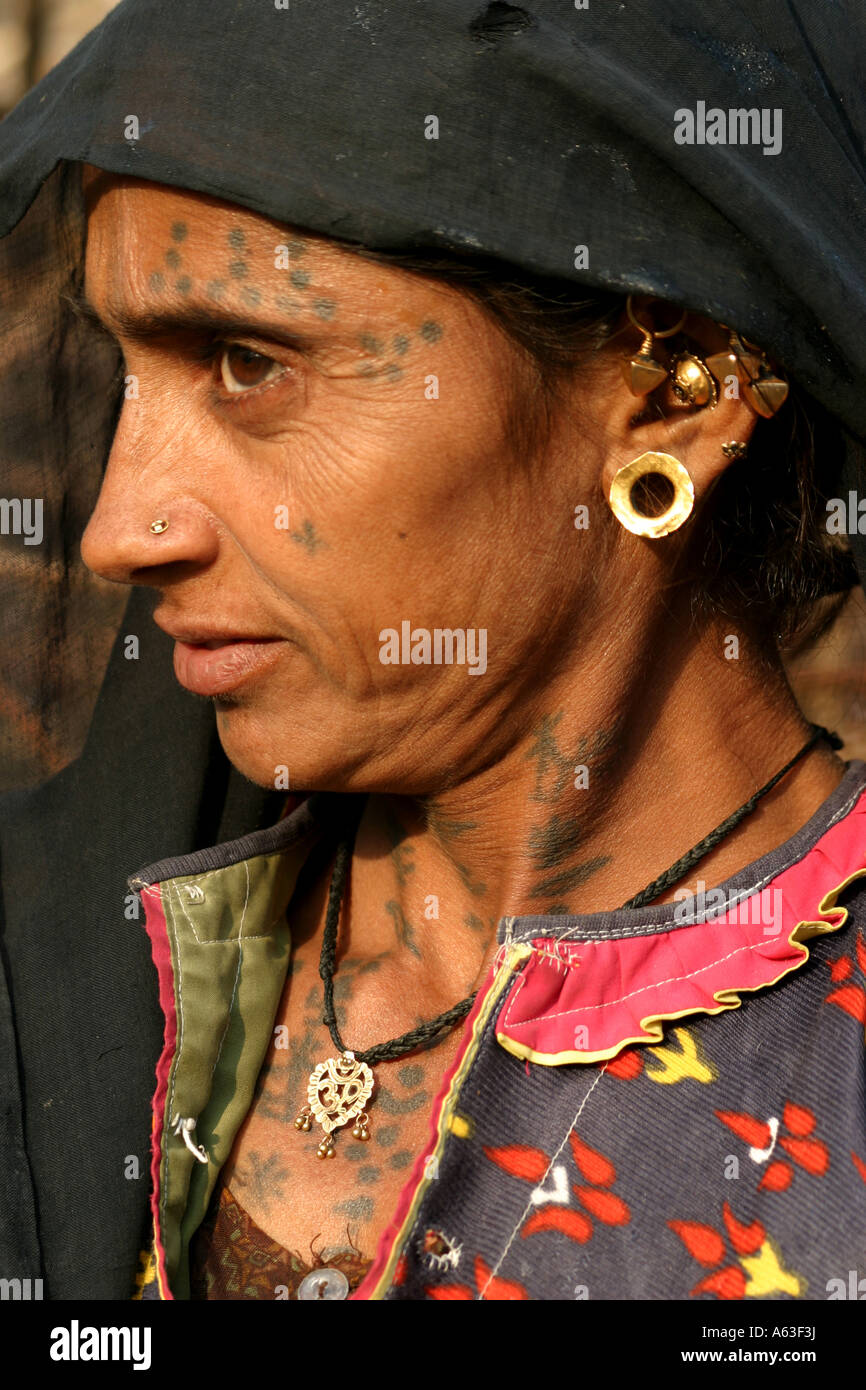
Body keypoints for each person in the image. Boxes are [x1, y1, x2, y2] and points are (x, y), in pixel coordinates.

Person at [0, 1, 864, 1302]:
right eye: (126, 375)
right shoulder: (99, 949)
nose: (122, 529)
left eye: (248, 363)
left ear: (674, 387)